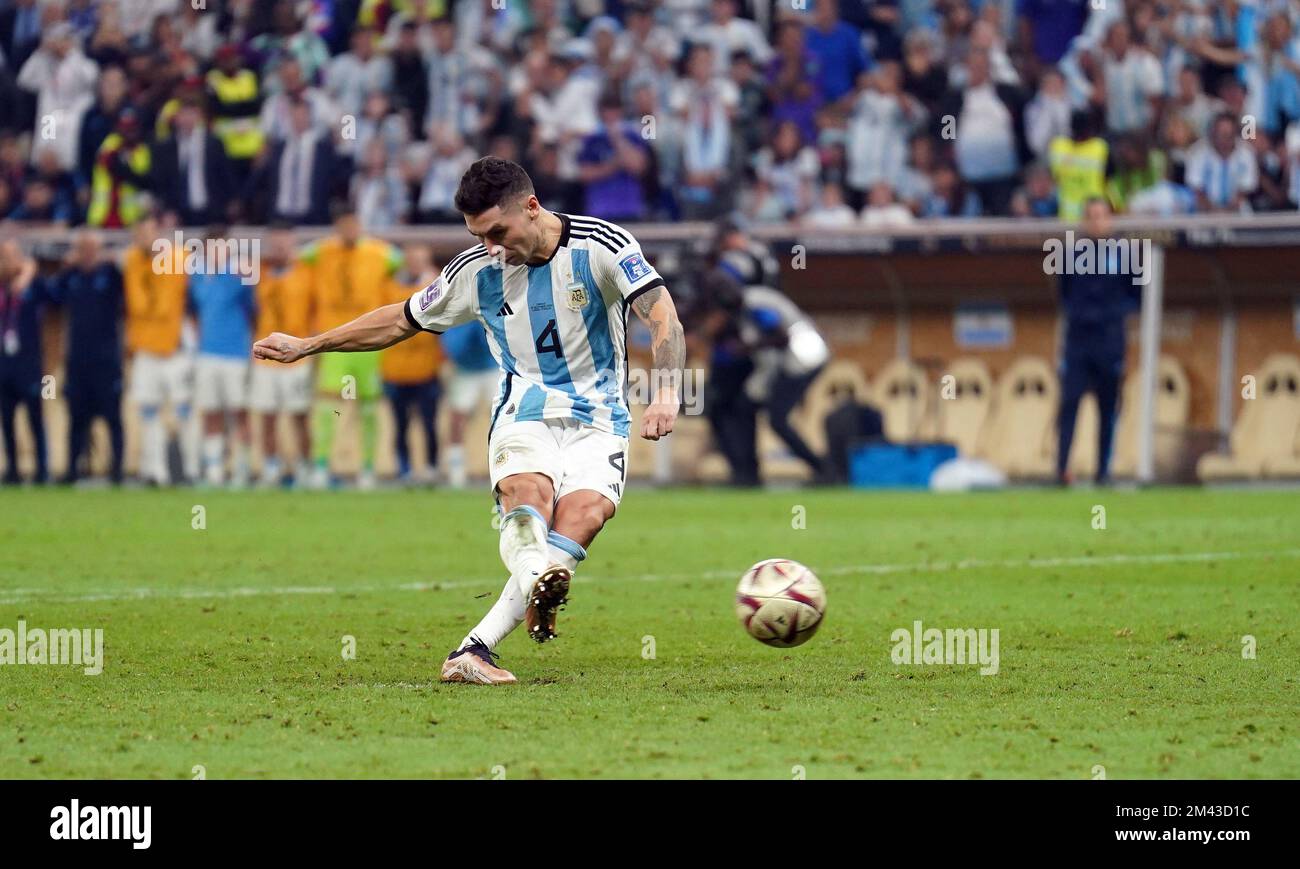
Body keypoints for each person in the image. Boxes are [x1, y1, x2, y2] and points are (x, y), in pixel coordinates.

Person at [254, 157, 685, 684]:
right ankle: (536, 581)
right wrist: (309, 344)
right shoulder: (474, 271)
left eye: (498, 232)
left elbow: (662, 313)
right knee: (529, 498)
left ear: (531, 207)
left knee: (585, 516)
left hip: (601, 416)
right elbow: (399, 320)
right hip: (524, 411)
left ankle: (473, 651)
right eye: (480, 236)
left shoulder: (602, 245)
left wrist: (665, 392)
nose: (492, 248)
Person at [300, 210, 401, 489]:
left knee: (368, 406)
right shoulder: (320, 252)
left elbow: (404, 263)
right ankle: (321, 465)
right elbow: (297, 255)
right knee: (328, 404)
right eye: (344, 225)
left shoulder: (381, 254)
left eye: (354, 225)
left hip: (370, 342)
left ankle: (367, 468)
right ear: (336, 227)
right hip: (333, 339)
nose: (349, 230)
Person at [1055, 198, 1142, 484]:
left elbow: (1135, 295)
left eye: (1102, 215)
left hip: (1109, 341)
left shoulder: (1125, 254)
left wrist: (1111, 315)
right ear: (1084, 220)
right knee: (1069, 403)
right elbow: (1063, 293)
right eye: (1091, 216)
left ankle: (1102, 472)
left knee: (1107, 407)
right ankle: (1061, 469)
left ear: (1111, 220)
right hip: (1078, 341)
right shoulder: (1070, 254)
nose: (1097, 221)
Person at [123, 215, 195, 486]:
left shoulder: (181, 257)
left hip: (175, 349)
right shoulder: (130, 260)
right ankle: (155, 471)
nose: (145, 239)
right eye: (140, 233)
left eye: (150, 232)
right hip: (145, 350)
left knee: (183, 411)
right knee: (148, 412)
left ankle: (189, 469)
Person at [48, 230, 124, 484]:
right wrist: (64, 268)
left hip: (106, 360)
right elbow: (52, 297)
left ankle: (117, 471)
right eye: (82, 249)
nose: (87, 254)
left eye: (92, 249)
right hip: (78, 360)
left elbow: (128, 292)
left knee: (113, 417)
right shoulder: (71, 278)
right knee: (76, 418)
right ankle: (71, 469)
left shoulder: (111, 276)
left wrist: (115, 261)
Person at [189, 226, 256, 487]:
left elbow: (254, 311)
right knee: (211, 412)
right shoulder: (197, 276)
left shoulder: (241, 276)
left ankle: (242, 467)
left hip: (236, 354)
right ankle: (214, 468)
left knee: (239, 411)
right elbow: (192, 311)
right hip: (207, 353)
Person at [249, 224, 314, 487]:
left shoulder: (307, 273)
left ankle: (304, 469)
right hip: (265, 356)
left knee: (299, 416)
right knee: (267, 417)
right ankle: (272, 468)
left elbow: (316, 311)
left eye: (285, 243)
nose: (280, 249)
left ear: (293, 245)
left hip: (298, 357)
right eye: (275, 244)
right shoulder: (258, 274)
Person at [380, 242, 442, 484]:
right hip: (395, 370)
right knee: (400, 424)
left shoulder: (438, 286)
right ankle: (404, 468)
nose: (416, 262)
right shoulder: (388, 286)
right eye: (412, 257)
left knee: (429, 423)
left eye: (421, 258)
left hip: (427, 369)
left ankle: (431, 467)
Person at [0, 240, 46, 484]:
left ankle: (42, 470)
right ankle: (13, 470)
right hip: (4, 365)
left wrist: (29, 273)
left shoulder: (34, 285)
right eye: (3, 256)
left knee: (36, 417)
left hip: (31, 365)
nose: (8, 261)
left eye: (13, 256)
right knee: (6, 420)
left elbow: (54, 297)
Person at [438, 319, 499, 489]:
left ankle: (501, 466)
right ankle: (456, 469)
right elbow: (451, 344)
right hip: (464, 369)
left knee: (501, 416)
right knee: (457, 419)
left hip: (491, 366)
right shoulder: (455, 310)